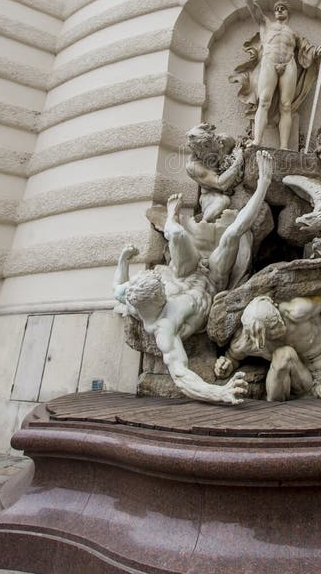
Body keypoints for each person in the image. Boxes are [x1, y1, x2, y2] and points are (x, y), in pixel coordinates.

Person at [113, 150, 274, 405]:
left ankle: (171, 220)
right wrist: (218, 393)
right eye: (159, 290)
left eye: (157, 283)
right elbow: (181, 376)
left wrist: (123, 260)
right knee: (232, 235)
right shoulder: (164, 328)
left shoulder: (133, 297)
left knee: (176, 235)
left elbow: (117, 287)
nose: (160, 286)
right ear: (156, 301)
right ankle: (264, 183)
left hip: (186, 273)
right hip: (213, 283)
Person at [231, 0, 321, 149]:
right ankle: (257, 140)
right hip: (269, 61)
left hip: (289, 65)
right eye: (276, 8)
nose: (278, 10)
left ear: (288, 12)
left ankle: (284, 147)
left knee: (286, 106)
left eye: (282, 8)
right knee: (265, 101)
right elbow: (250, 2)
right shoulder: (265, 24)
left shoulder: (294, 34)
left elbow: (310, 55)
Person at [185, 123, 244, 222]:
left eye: (215, 137)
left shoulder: (225, 140)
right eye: (214, 141)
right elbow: (221, 184)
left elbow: (238, 147)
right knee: (222, 201)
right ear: (205, 147)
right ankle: (201, 228)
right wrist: (238, 161)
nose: (218, 140)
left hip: (235, 186)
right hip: (211, 195)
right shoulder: (194, 166)